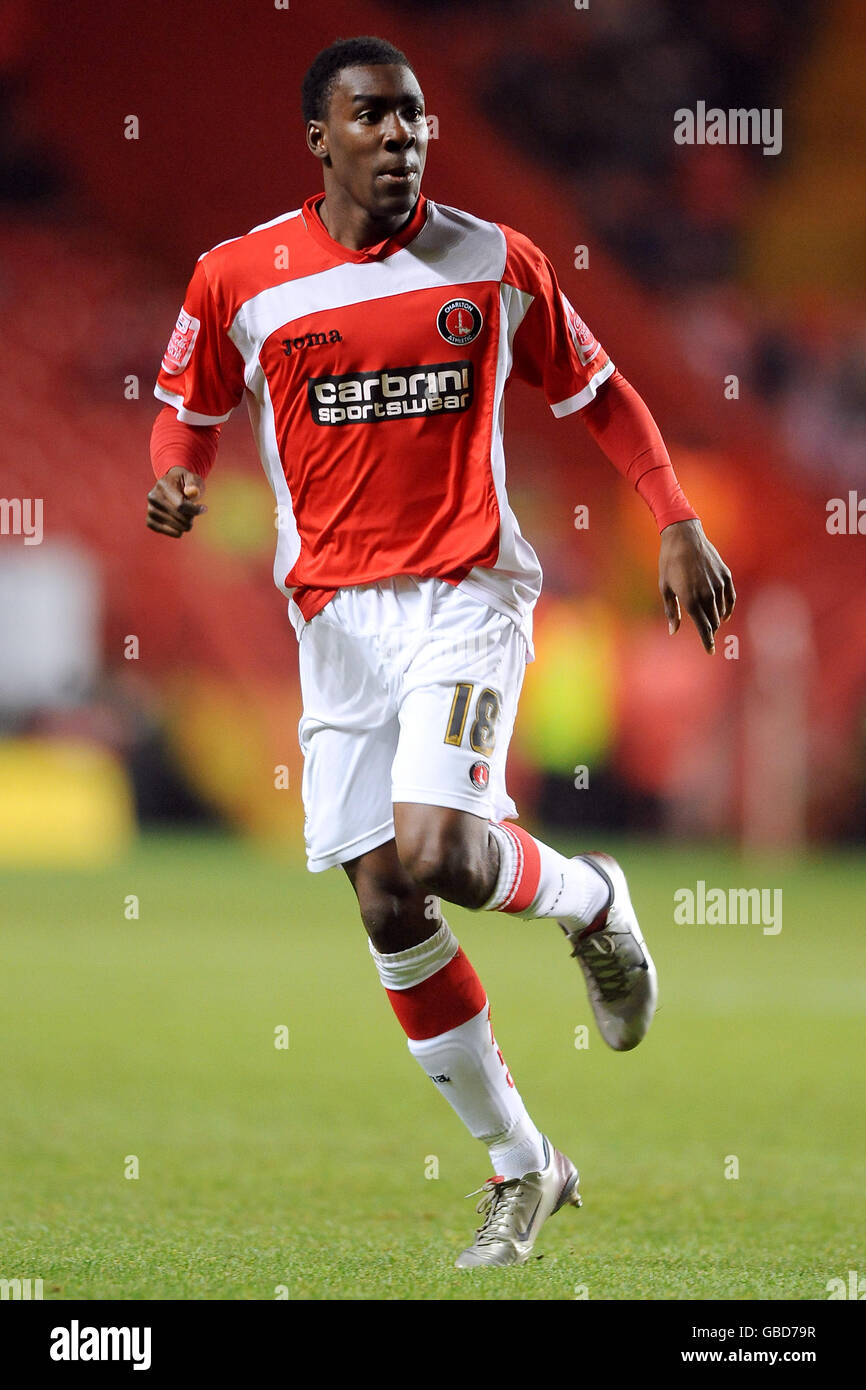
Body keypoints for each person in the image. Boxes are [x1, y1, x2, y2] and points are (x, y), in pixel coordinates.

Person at [146, 35, 735, 1269]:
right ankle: (525, 1167)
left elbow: (600, 391)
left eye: (414, 117)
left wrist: (674, 517)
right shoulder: (238, 278)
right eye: (372, 118)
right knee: (385, 896)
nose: (402, 137)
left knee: (433, 848)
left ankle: (590, 898)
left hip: (464, 596)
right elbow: (187, 407)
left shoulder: (493, 261)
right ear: (320, 138)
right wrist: (175, 482)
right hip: (334, 626)